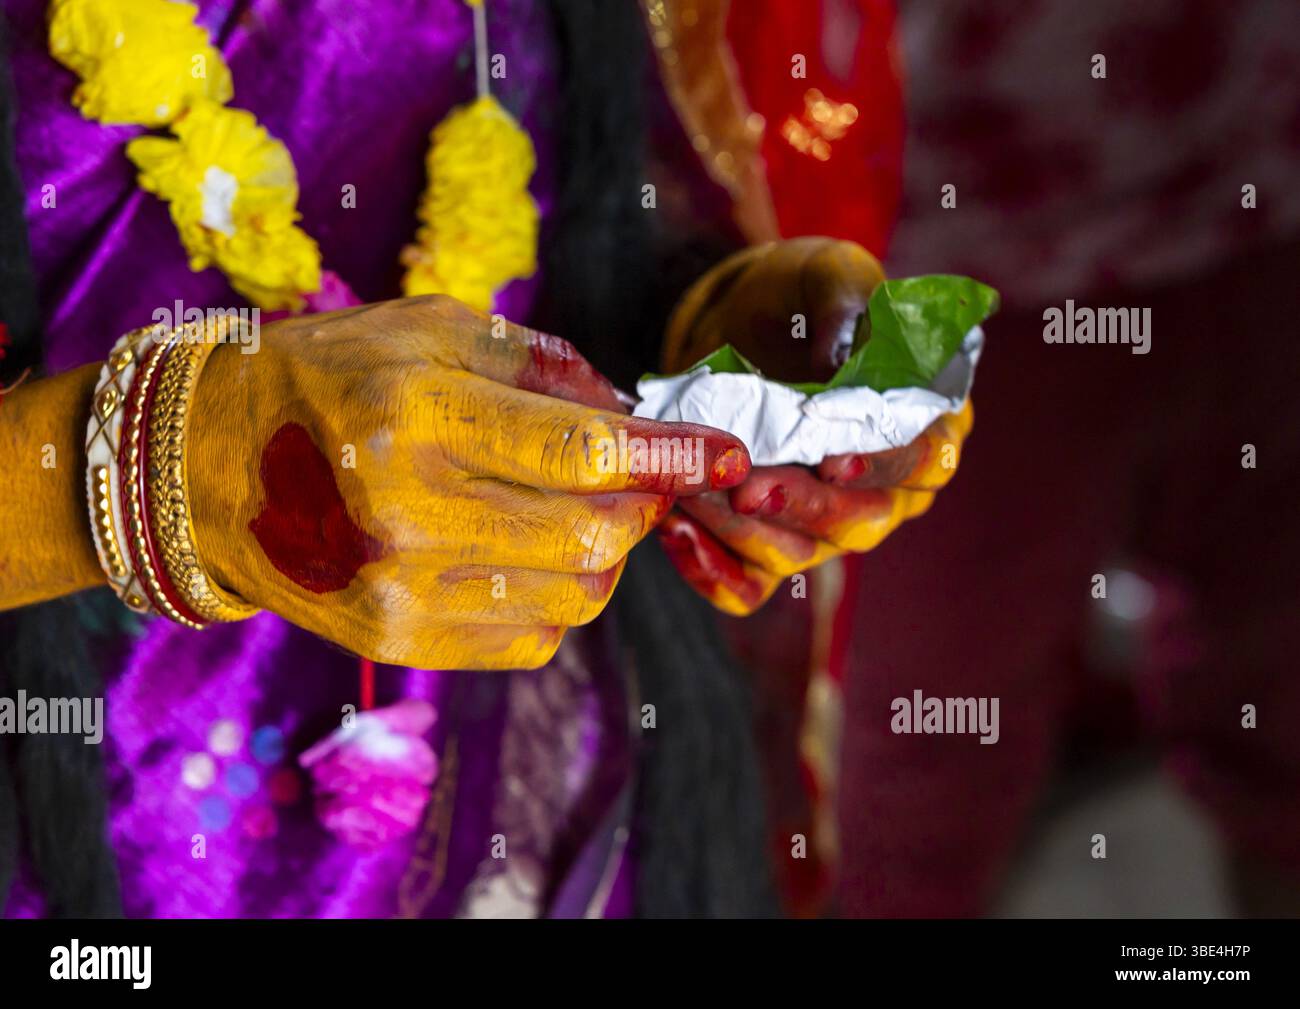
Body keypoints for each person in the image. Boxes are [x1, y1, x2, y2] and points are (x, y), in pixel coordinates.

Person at [0, 0, 963, 917]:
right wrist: (152, 475)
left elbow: (557, 141)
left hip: (530, 767)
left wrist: (710, 343)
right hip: (91, 826)